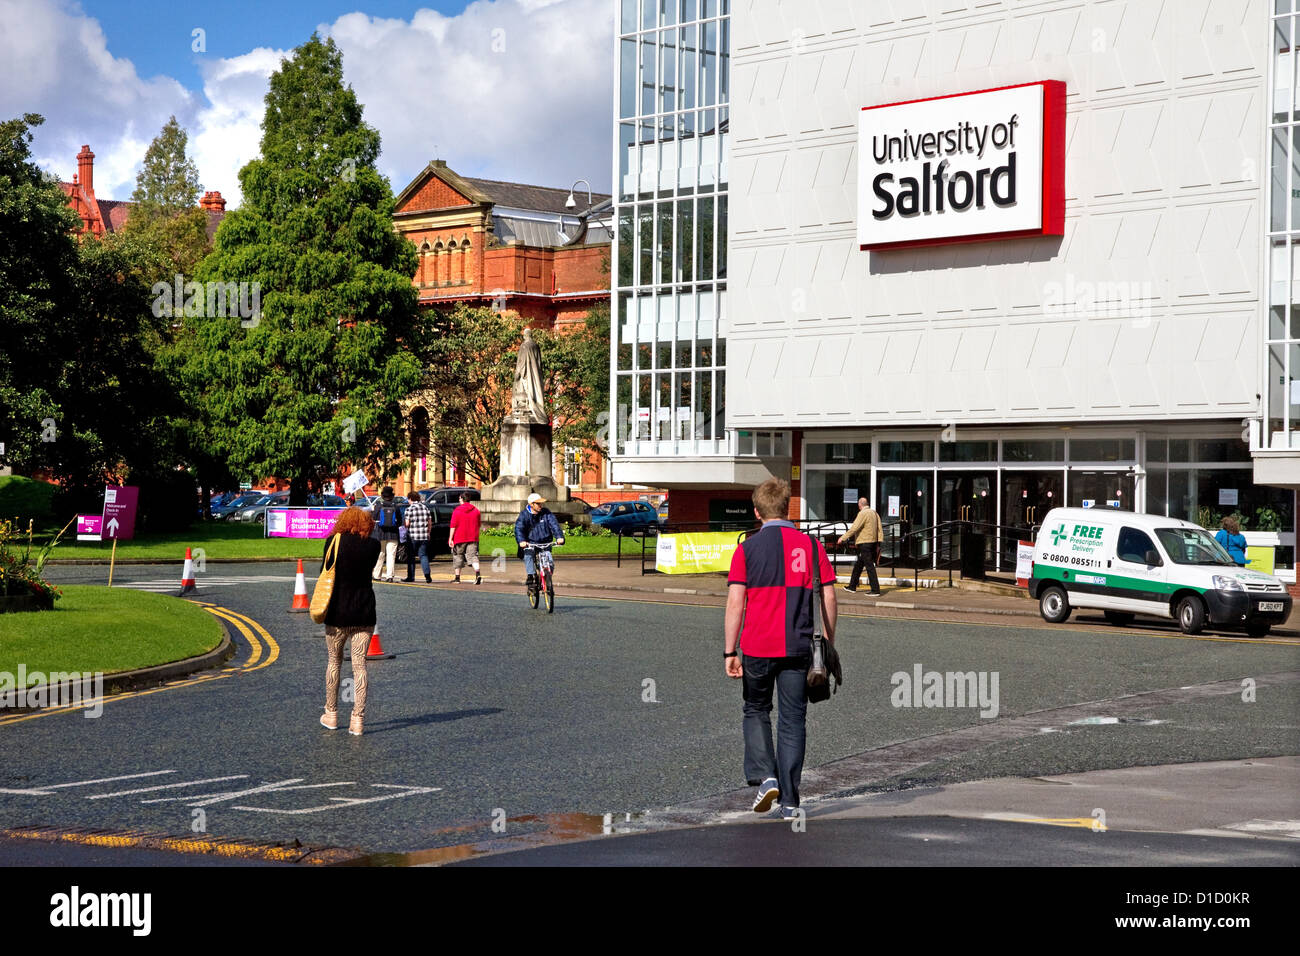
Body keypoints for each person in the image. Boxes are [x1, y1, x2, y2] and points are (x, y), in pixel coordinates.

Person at [725, 478, 837, 817]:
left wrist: (730, 651)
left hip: (757, 645)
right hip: (798, 646)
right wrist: (828, 644)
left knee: (756, 709)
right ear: (788, 507)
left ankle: (766, 776)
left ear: (757, 512)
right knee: (793, 720)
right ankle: (790, 801)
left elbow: (736, 602)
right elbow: (829, 595)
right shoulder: (812, 546)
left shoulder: (746, 549)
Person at [320, 507, 381, 736]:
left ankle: (332, 713)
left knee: (334, 662)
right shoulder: (374, 546)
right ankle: (358, 719)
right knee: (359, 666)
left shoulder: (333, 541)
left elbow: (325, 571)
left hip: (337, 612)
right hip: (364, 611)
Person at [515, 492, 565, 593]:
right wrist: (522, 541)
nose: (540, 506)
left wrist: (559, 537)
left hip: (545, 542)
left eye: (541, 503)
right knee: (528, 556)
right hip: (530, 543)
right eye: (538, 504)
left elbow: (554, 525)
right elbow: (519, 528)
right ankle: (532, 577)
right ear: (531, 504)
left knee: (550, 564)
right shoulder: (524, 515)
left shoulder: (546, 513)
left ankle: (546, 581)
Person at [837, 497, 883, 594]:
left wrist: (842, 538)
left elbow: (854, 528)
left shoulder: (862, 513)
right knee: (858, 565)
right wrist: (879, 543)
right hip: (873, 543)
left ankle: (875, 590)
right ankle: (852, 586)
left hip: (865, 543)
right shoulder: (874, 513)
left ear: (860, 505)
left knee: (870, 567)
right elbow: (879, 528)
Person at [449, 491, 482, 585]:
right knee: (473, 556)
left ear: (462, 499)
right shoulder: (476, 511)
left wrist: (450, 538)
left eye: (459, 499)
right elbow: (478, 524)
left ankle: (457, 578)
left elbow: (453, 525)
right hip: (473, 537)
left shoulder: (457, 510)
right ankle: (478, 574)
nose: (459, 500)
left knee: (458, 556)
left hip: (459, 537)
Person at [371, 486, 401, 582]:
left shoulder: (379, 505)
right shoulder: (395, 506)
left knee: (380, 554)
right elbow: (400, 521)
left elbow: (374, 518)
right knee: (391, 555)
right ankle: (389, 576)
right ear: (392, 496)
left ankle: (377, 575)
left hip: (380, 533)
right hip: (393, 534)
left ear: (383, 496)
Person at [402, 490, 432, 583]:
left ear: (410, 499)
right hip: (424, 535)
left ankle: (411, 576)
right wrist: (428, 532)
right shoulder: (425, 508)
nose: (408, 501)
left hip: (413, 536)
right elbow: (429, 522)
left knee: (411, 557)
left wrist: (404, 526)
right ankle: (427, 576)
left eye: (408, 499)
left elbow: (407, 524)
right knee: (423, 555)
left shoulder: (409, 509)